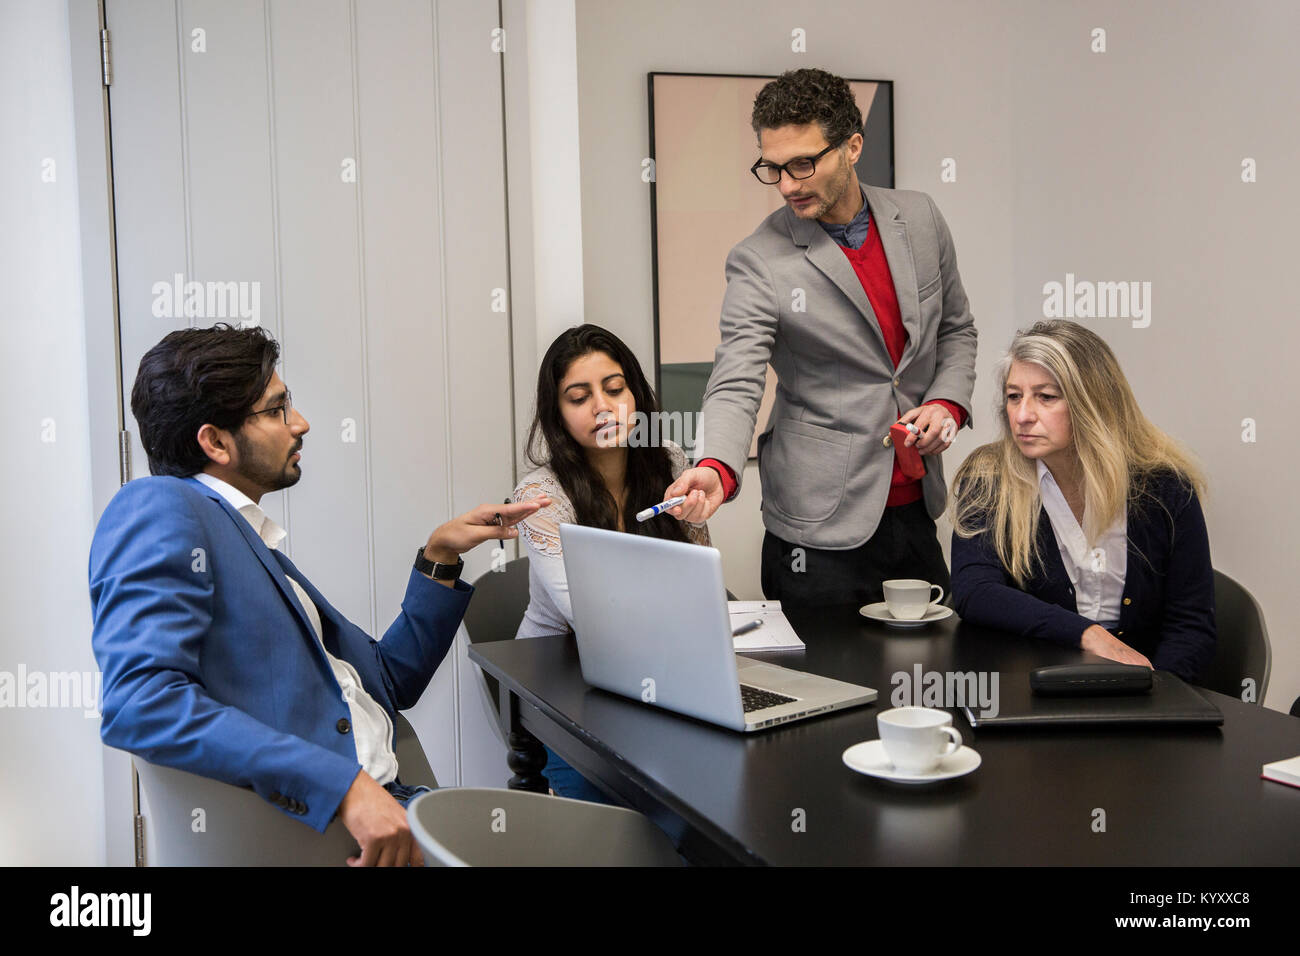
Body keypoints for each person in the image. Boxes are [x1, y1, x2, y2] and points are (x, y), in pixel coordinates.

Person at [89, 325, 547, 867]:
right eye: (278, 409)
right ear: (215, 442)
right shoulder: (158, 508)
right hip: (343, 834)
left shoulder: (246, 541)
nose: (300, 424)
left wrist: (440, 555)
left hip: (404, 806)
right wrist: (344, 787)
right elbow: (141, 702)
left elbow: (389, 681)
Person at [666, 68, 978, 608]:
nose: (787, 184)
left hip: (915, 505)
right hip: (816, 530)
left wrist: (947, 401)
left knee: (928, 682)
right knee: (828, 689)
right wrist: (717, 465)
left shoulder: (921, 217)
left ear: (852, 146)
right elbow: (737, 379)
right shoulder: (758, 260)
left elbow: (956, 330)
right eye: (773, 167)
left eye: (803, 163)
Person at [948, 320, 1215, 683]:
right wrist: (1088, 635)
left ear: (1093, 403)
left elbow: (1191, 626)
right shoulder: (988, 478)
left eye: (1046, 397)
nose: (1023, 415)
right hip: (1027, 693)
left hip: (1145, 697)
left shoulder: (1165, 488)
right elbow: (974, 591)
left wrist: (1160, 698)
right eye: (1014, 396)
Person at [512, 324, 710, 800]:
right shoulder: (541, 498)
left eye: (615, 389)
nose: (603, 406)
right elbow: (594, 619)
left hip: (657, 675)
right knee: (625, 815)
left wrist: (697, 525)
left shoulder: (669, 462)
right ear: (557, 415)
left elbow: (700, 584)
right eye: (578, 397)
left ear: (635, 394)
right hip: (564, 687)